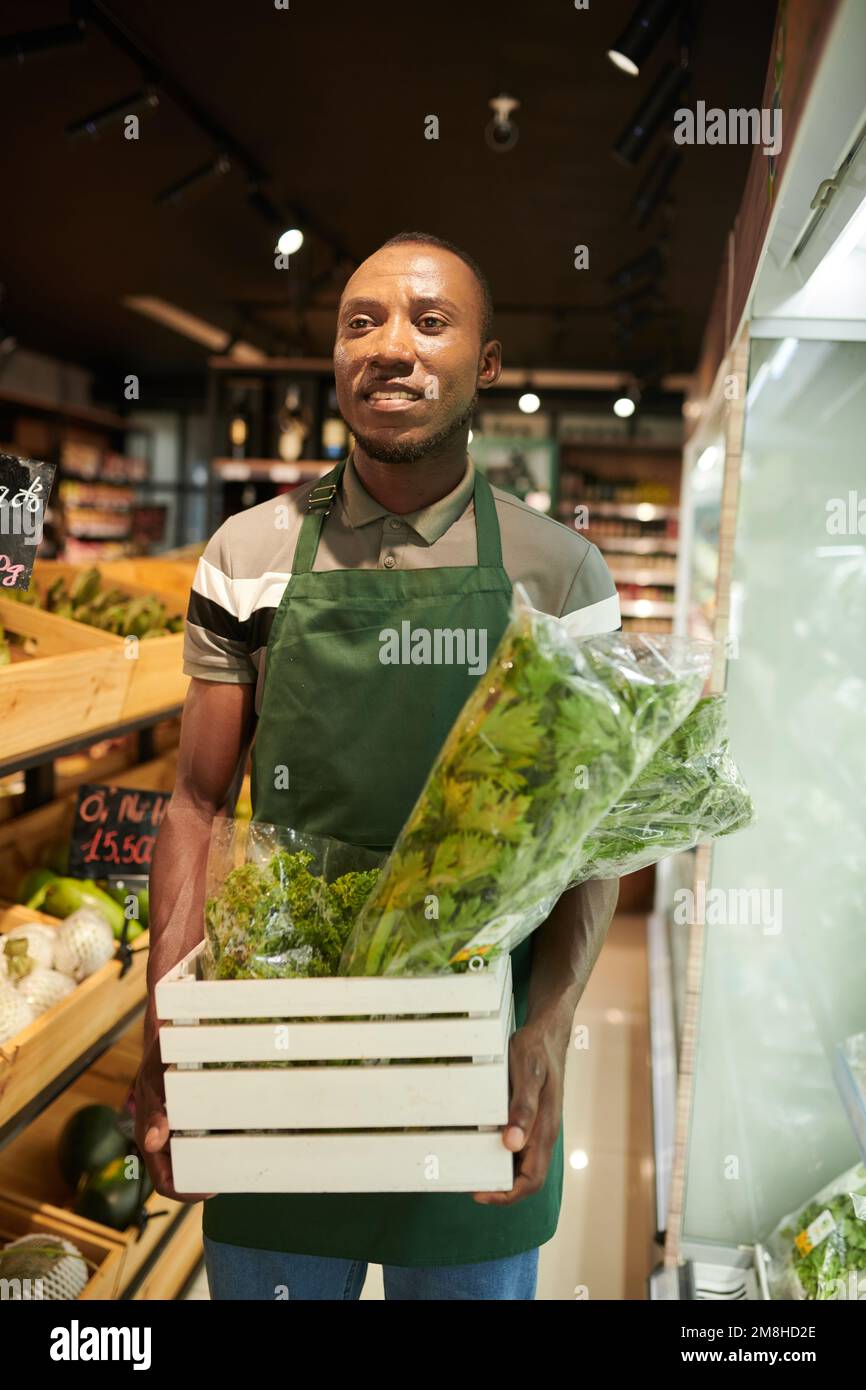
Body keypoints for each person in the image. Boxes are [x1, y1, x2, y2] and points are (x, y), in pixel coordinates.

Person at [135, 231, 621, 1301]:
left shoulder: (558, 571)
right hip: (278, 1059)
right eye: (360, 322)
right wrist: (165, 1023)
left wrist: (545, 1028)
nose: (388, 347)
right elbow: (194, 800)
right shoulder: (248, 556)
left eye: (428, 321)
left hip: (475, 1063)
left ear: (486, 362)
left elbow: (594, 833)